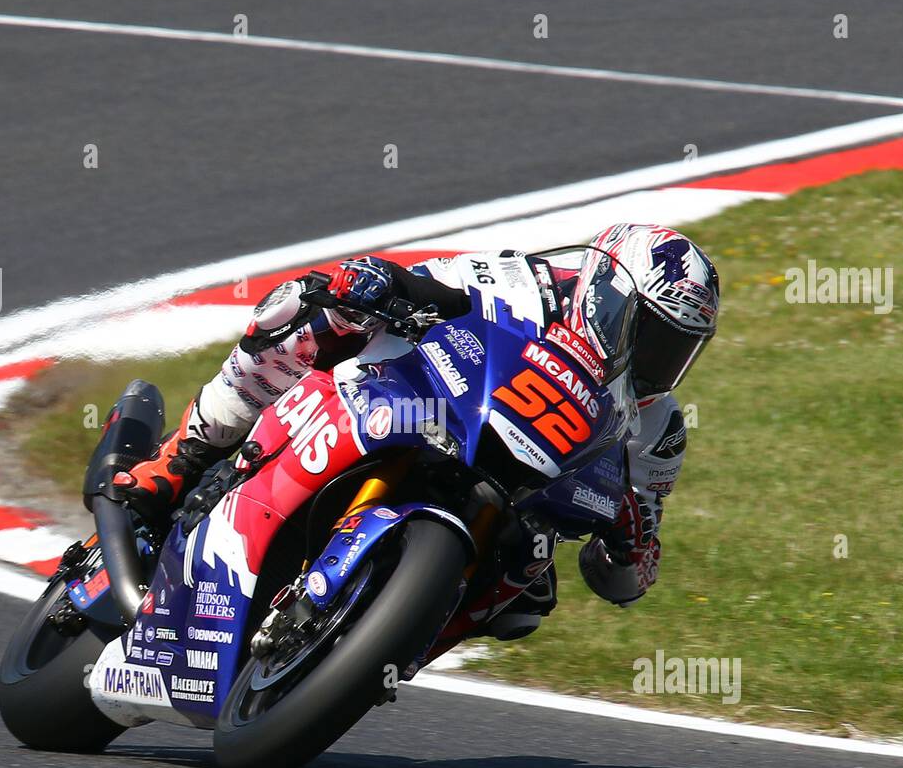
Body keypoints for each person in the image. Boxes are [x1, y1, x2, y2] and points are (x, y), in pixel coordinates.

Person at [111, 223, 718, 631]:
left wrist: (633, 542)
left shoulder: (657, 428)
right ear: (610, 297)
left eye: (678, 349)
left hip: (513, 499)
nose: (660, 362)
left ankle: (374, 641)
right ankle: (181, 457)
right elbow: (428, 282)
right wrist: (382, 284)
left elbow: (624, 580)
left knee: (527, 603)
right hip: (419, 406)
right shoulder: (530, 287)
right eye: (652, 335)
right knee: (307, 311)